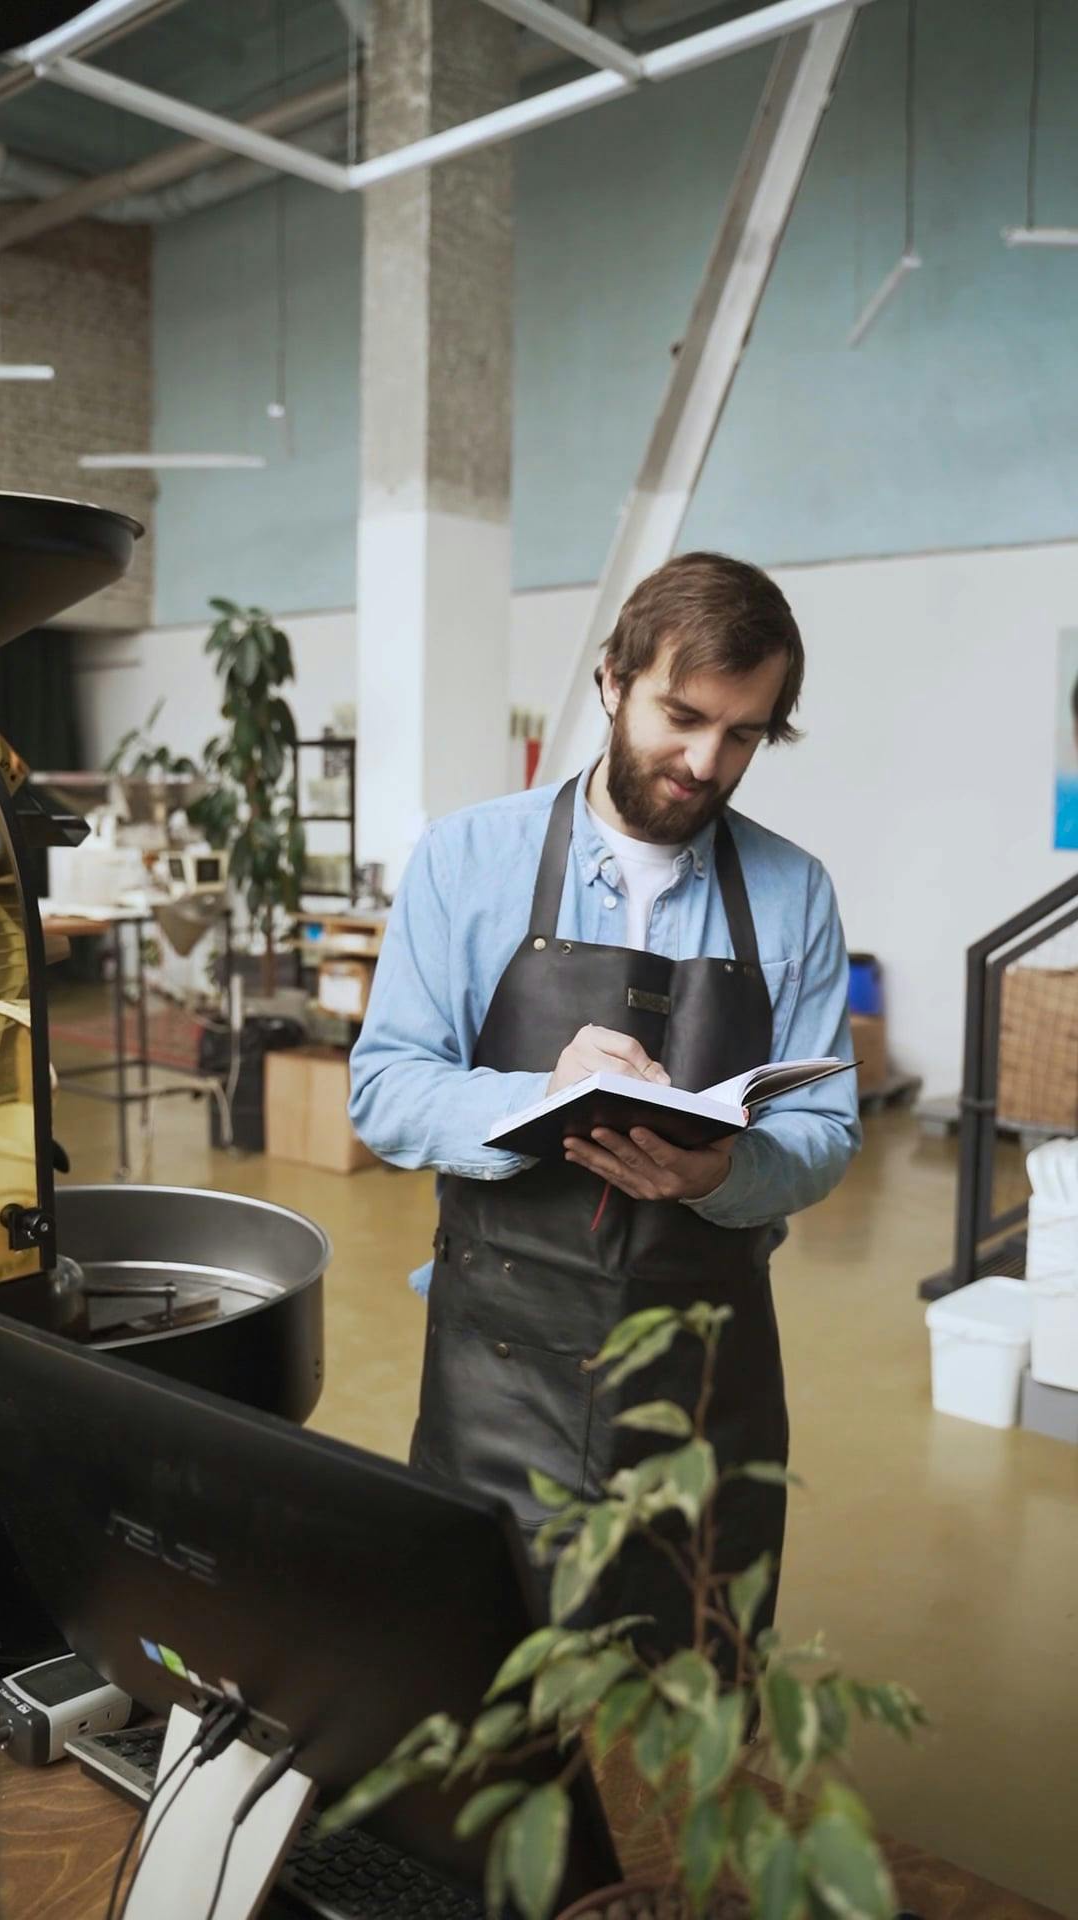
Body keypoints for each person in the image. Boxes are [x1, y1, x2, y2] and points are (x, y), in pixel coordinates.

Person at [349, 551, 860, 1657]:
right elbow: (385, 1090)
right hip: (499, 1370)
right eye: (682, 716)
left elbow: (825, 1132)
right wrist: (540, 1094)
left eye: (743, 735)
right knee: (485, 1695)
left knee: (693, 1688)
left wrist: (727, 1170)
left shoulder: (793, 891)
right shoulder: (465, 863)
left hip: (706, 1387)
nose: (704, 760)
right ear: (612, 681)